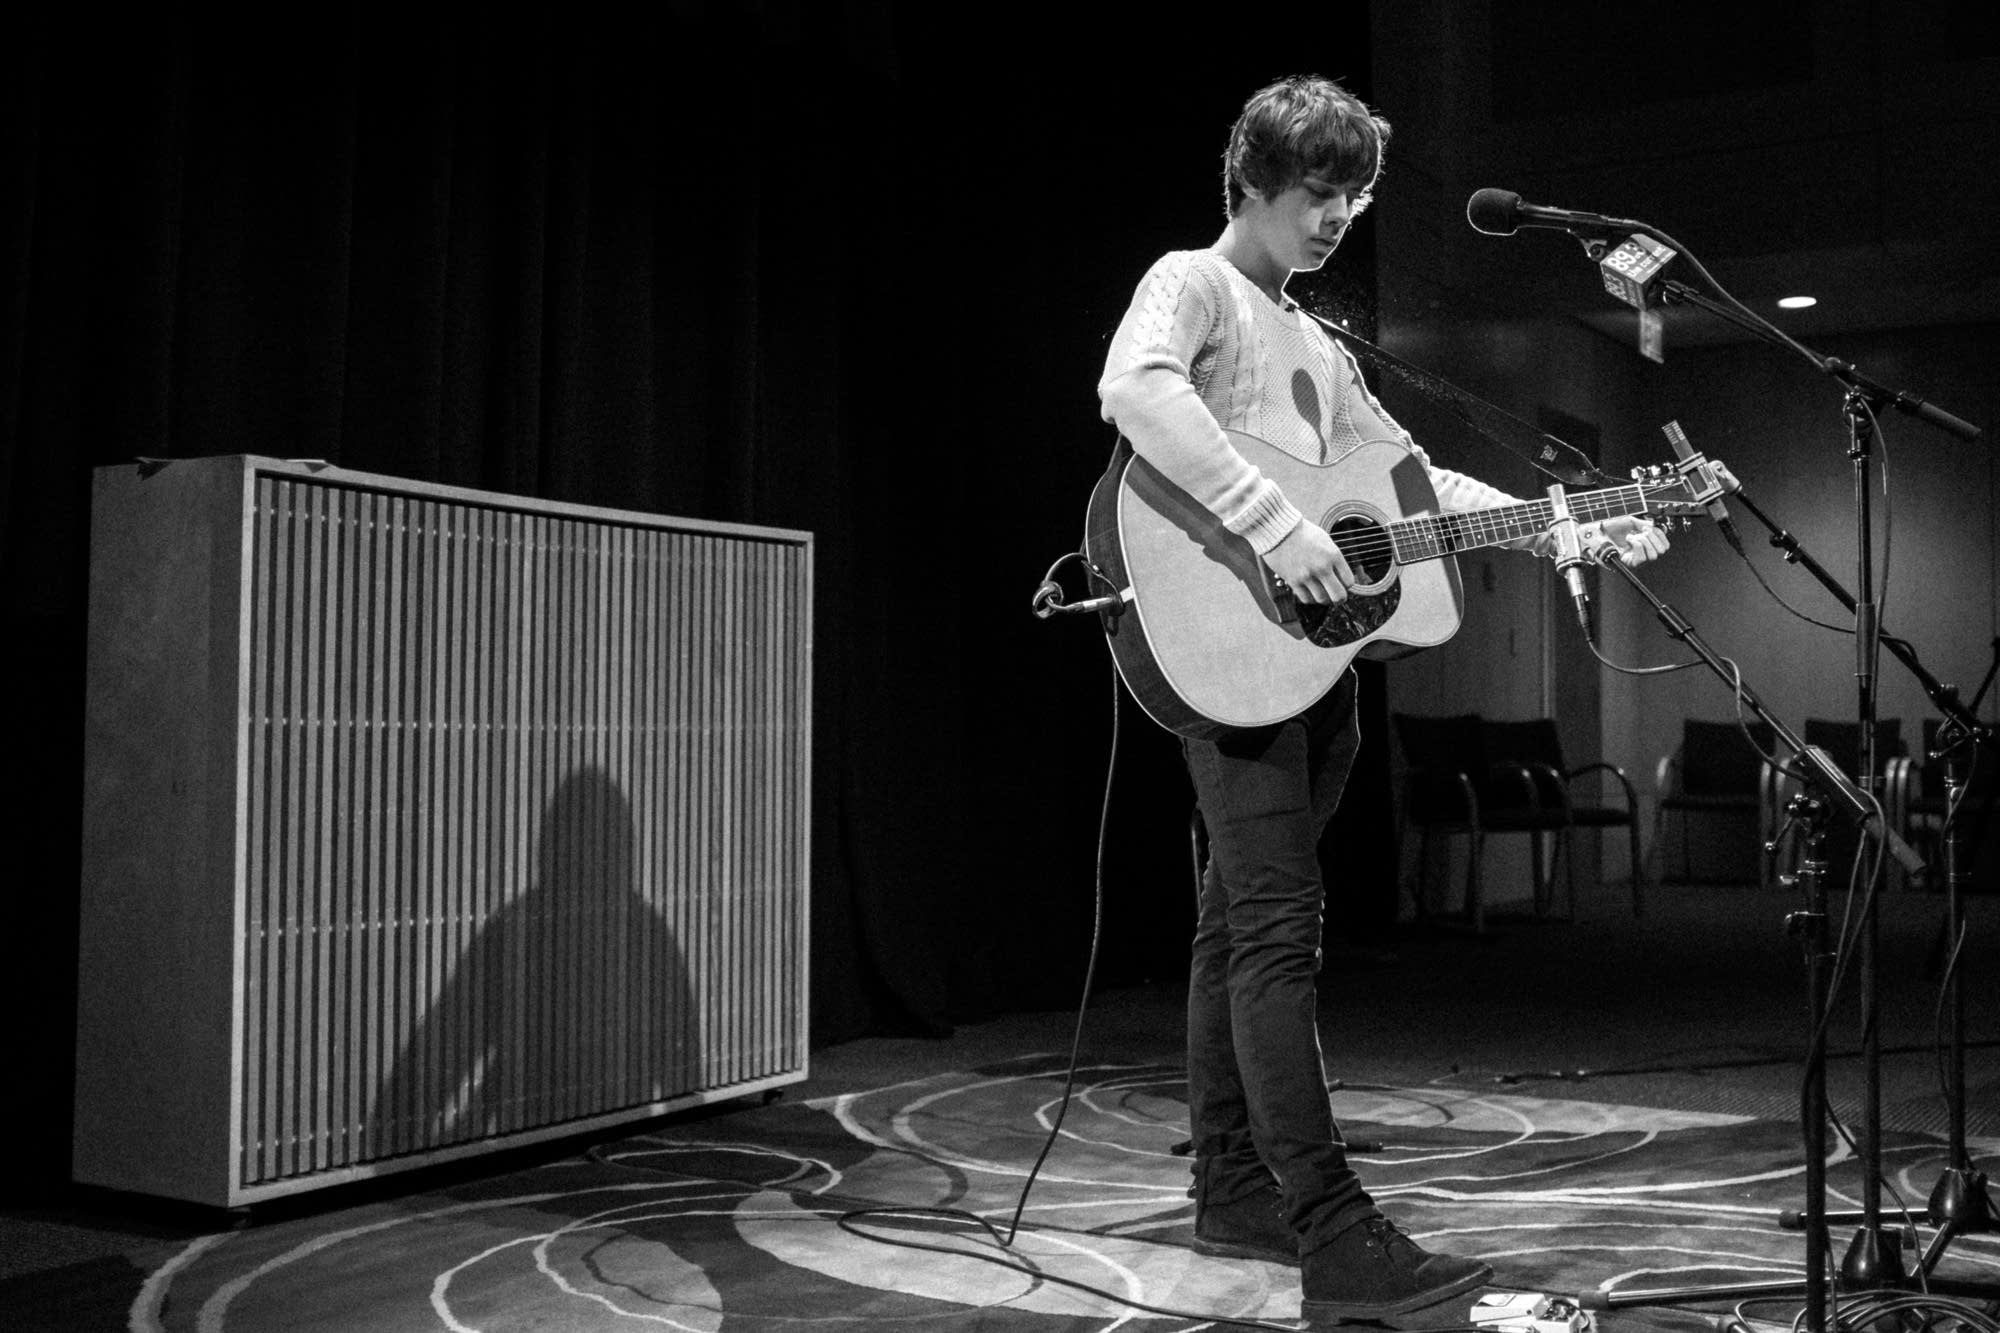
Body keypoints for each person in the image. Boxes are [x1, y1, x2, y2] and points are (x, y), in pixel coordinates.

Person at [1094, 74, 1668, 1325]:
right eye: (1318, 196)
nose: (1336, 220)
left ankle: (1232, 1182)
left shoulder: (1318, 338)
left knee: (1228, 927)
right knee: (1274, 931)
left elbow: (1409, 489)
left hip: (1318, 668)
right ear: (1249, 180)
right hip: (1233, 650)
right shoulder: (1190, 283)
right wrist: (1271, 524)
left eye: (1352, 202)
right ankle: (1331, 1232)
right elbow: (1135, 390)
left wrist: (1567, 525)